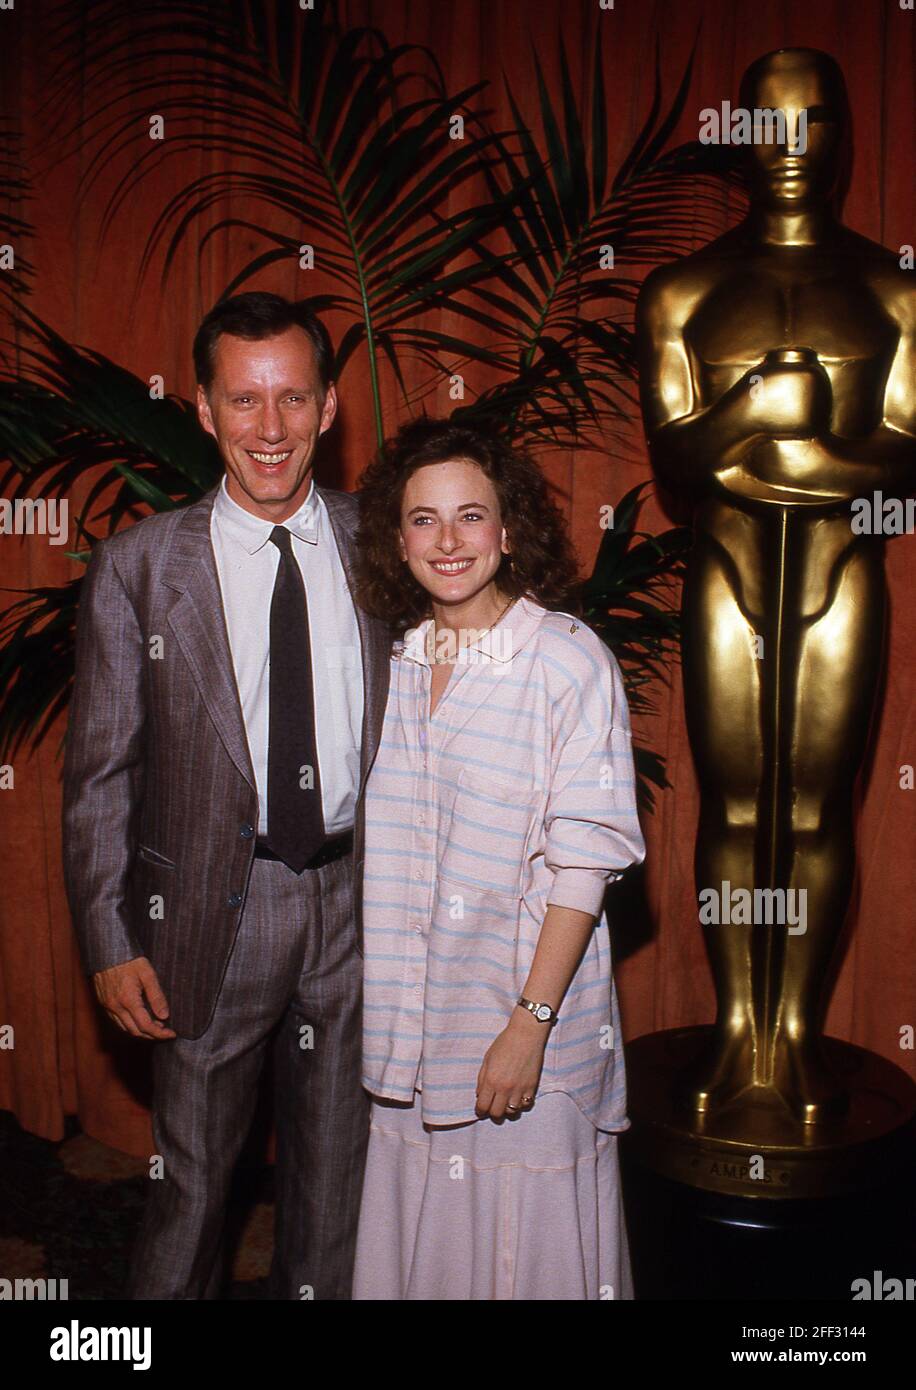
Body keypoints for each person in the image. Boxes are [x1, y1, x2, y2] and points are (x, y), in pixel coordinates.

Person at [61, 291, 391, 1299]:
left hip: (361, 904)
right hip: (212, 907)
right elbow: (100, 772)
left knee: (339, 1191)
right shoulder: (139, 569)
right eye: (244, 401)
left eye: (293, 398)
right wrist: (111, 940)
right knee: (195, 1190)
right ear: (203, 408)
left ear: (330, 406)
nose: (271, 428)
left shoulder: (386, 543)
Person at [350, 418, 646, 1300]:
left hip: (523, 1027)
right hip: (414, 1029)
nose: (449, 541)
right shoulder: (398, 662)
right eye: (425, 520)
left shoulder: (564, 659)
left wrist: (529, 1026)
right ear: (397, 543)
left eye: (471, 516)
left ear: (508, 530)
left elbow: (584, 863)